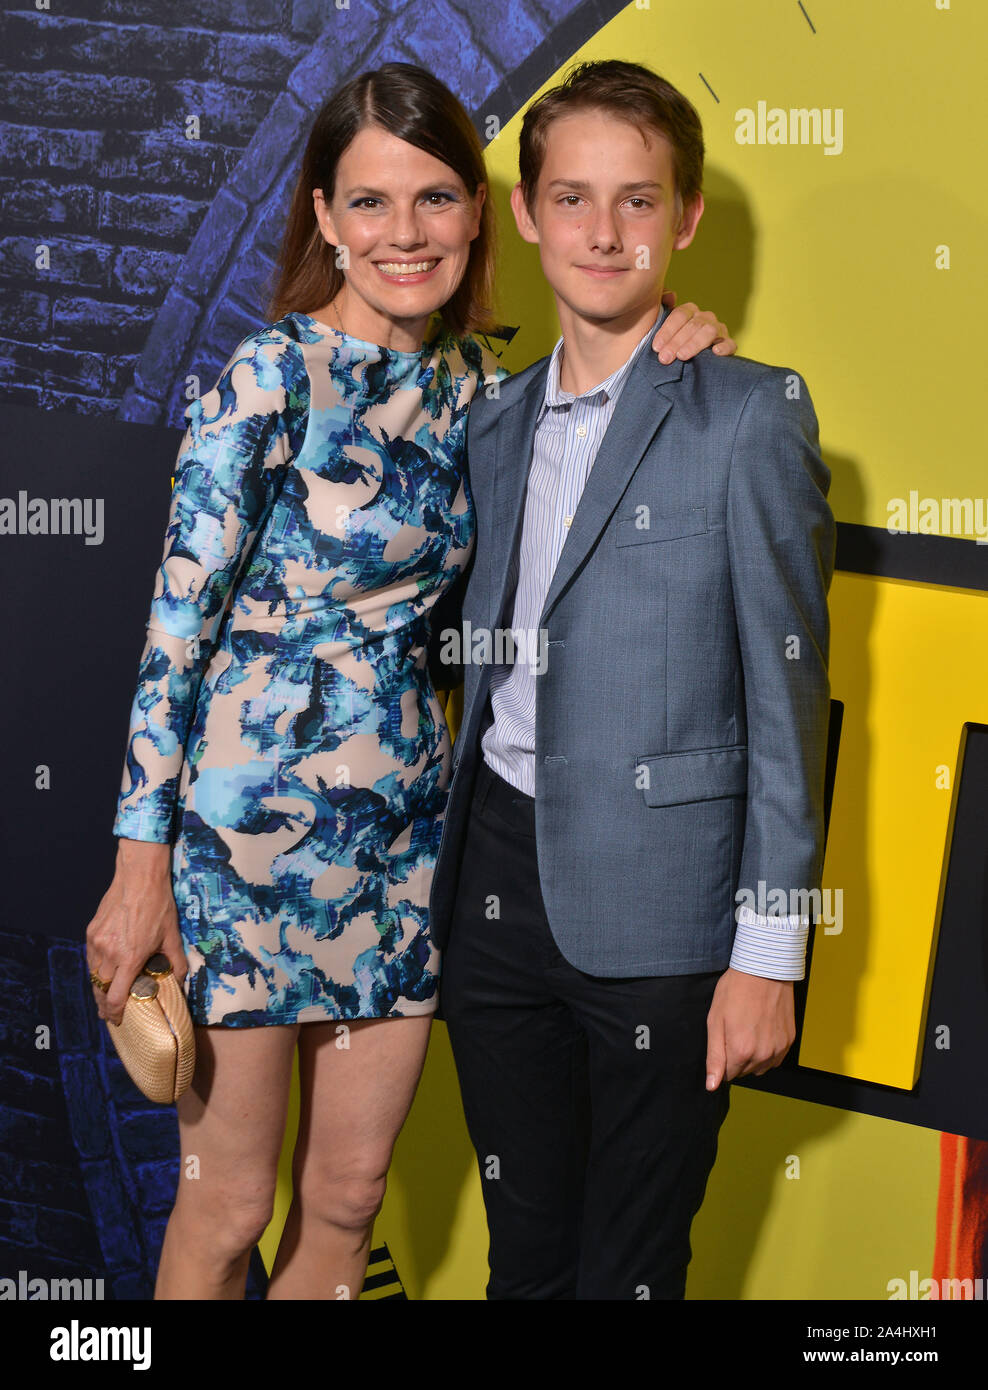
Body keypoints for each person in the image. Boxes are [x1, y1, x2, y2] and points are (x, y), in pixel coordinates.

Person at [84, 61, 737, 1301]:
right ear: (324, 217)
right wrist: (136, 871)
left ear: (480, 213)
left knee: (345, 1203)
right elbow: (174, 637)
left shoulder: (479, 394)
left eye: (435, 199)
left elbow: (600, 423)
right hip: (247, 857)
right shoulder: (264, 383)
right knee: (228, 1205)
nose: (405, 235)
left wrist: (681, 336)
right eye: (371, 205)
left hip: (403, 850)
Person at [431, 59, 836, 1300]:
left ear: (687, 218)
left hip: (664, 911)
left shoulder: (748, 414)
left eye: (638, 201)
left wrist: (769, 953)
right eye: (572, 198)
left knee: (630, 1273)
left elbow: (785, 697)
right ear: (525, 213)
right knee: (526, 1262)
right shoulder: (487, 422)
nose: (602, 232)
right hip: (494, 887)